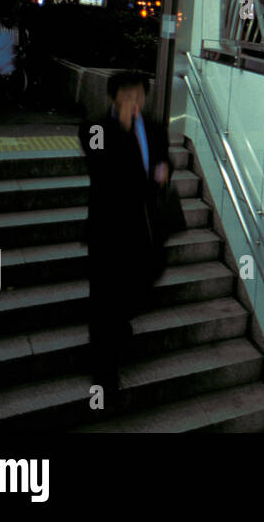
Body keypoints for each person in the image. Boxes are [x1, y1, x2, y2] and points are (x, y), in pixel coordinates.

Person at [79, 71, 178, 395]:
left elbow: (163, 158)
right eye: (126, 95)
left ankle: (119, 326)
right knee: (103, 301)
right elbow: (102, 170)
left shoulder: (154, 127)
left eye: (138, 95)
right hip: (107, 231)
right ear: (112, 97)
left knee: (141, 282)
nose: (134, 101)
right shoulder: (95, 129)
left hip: (143, 229)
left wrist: (163, 166)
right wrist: (121, 129)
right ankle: (103, 376)